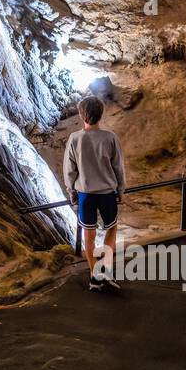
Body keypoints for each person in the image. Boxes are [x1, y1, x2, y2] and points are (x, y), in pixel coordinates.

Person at [62, 95, 125, 291]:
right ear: (101, 114)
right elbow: (118, 168)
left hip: (85, 194)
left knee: (89, 236)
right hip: (107, 192)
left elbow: (69, 170)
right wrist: (121, 190)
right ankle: (105, 269)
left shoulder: (75, 139)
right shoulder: (110, 138)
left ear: (82, 116)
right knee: (111, 229)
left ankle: (94, 275)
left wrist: (71, 190)